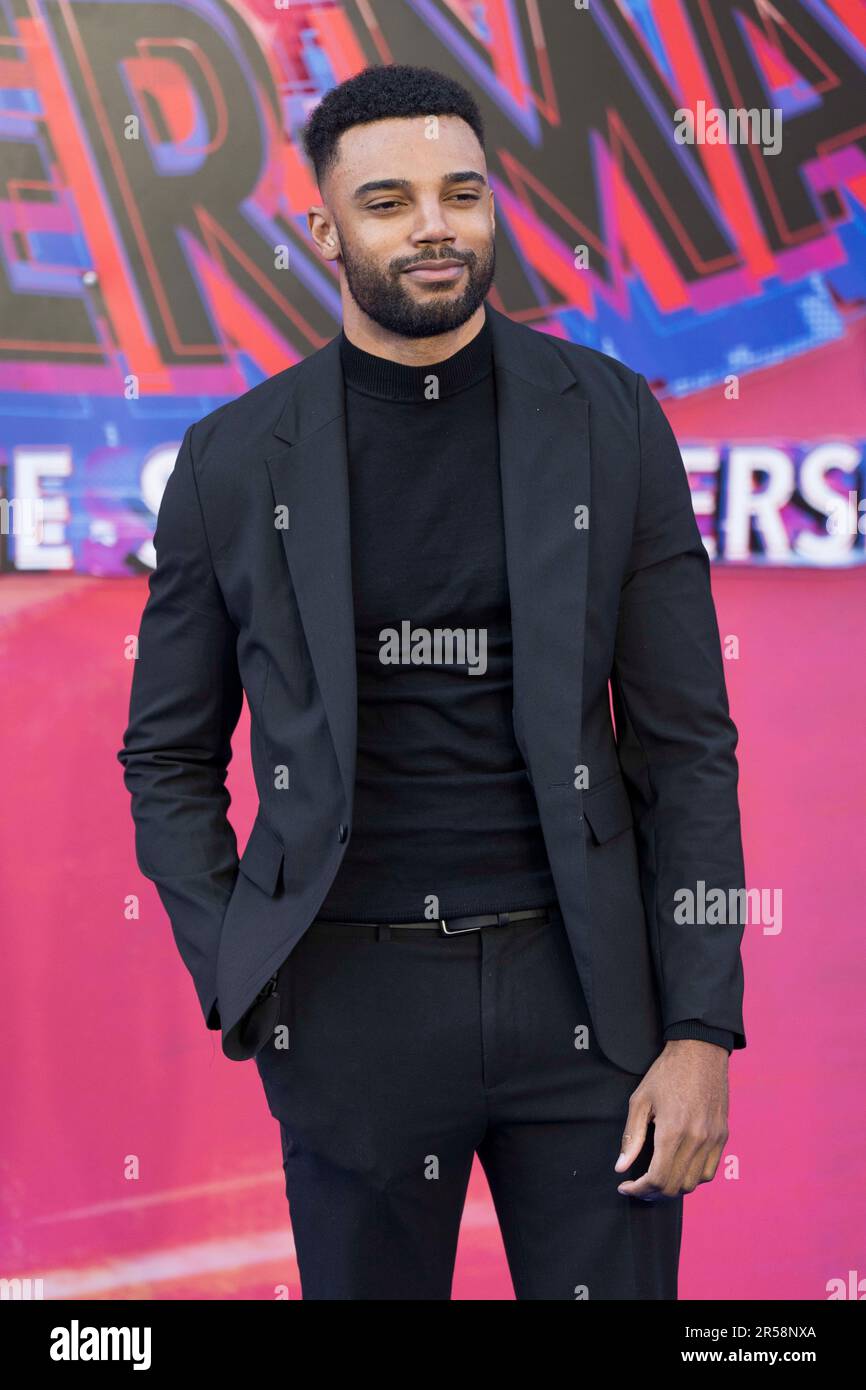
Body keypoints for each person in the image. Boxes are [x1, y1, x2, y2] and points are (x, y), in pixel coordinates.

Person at [118, 64, 747, 1300]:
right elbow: (166, 754)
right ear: (326, 229)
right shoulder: (235, 459)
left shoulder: (611, 424)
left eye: (460, 193)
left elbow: (685, 750)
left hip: (591, 1004)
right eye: (390, 201)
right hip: (348, 1003)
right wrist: (240, 963)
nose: (433, 228)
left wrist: (700, 1028)